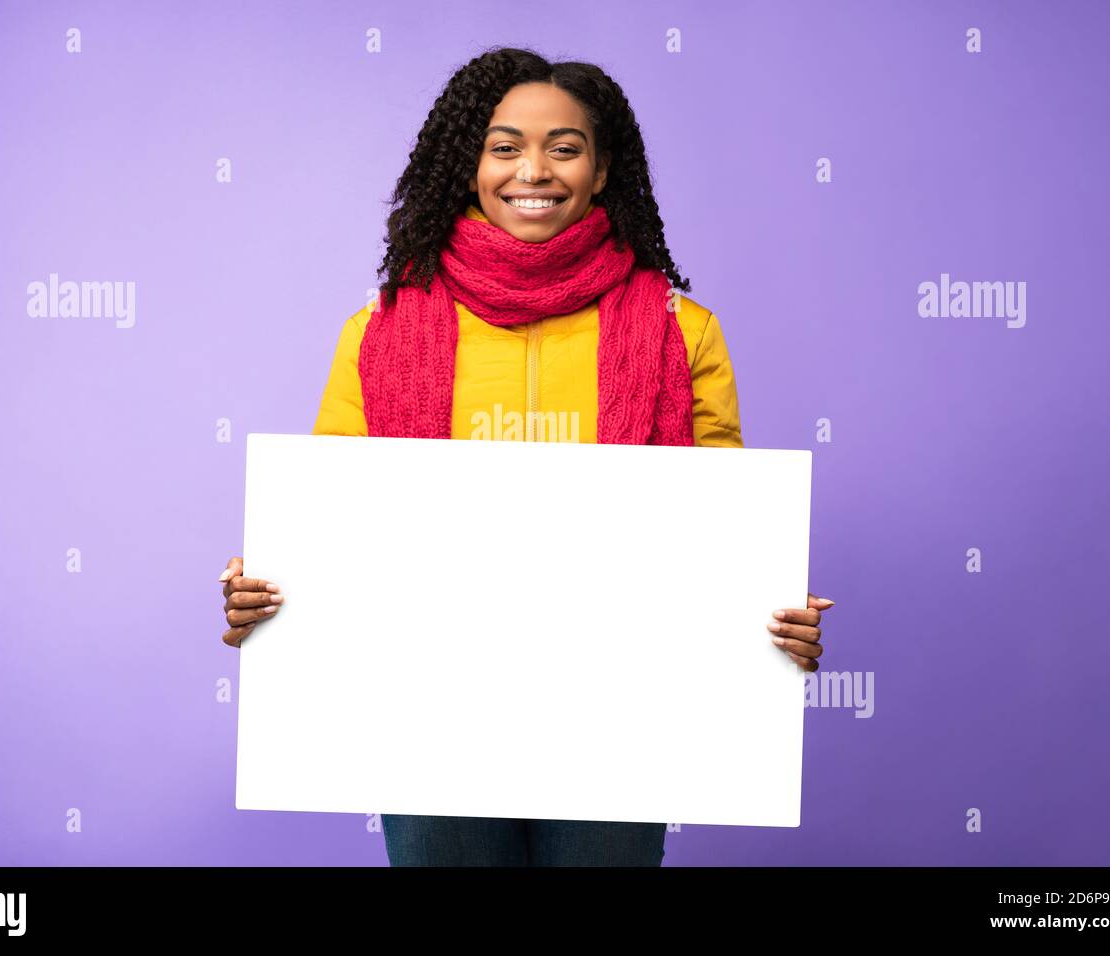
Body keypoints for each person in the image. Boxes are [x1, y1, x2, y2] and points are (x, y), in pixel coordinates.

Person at [218, 46, 833, 866]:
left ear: (603, 169)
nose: (532, 170)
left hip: (620, 718)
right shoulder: (383, 329)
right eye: (504, 147)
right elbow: (336, 520)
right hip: (429, 720)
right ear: (469, 165)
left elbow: (718, 531)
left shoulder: (682, 331)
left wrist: (767, 621)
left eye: (565, 147)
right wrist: (266, 594)